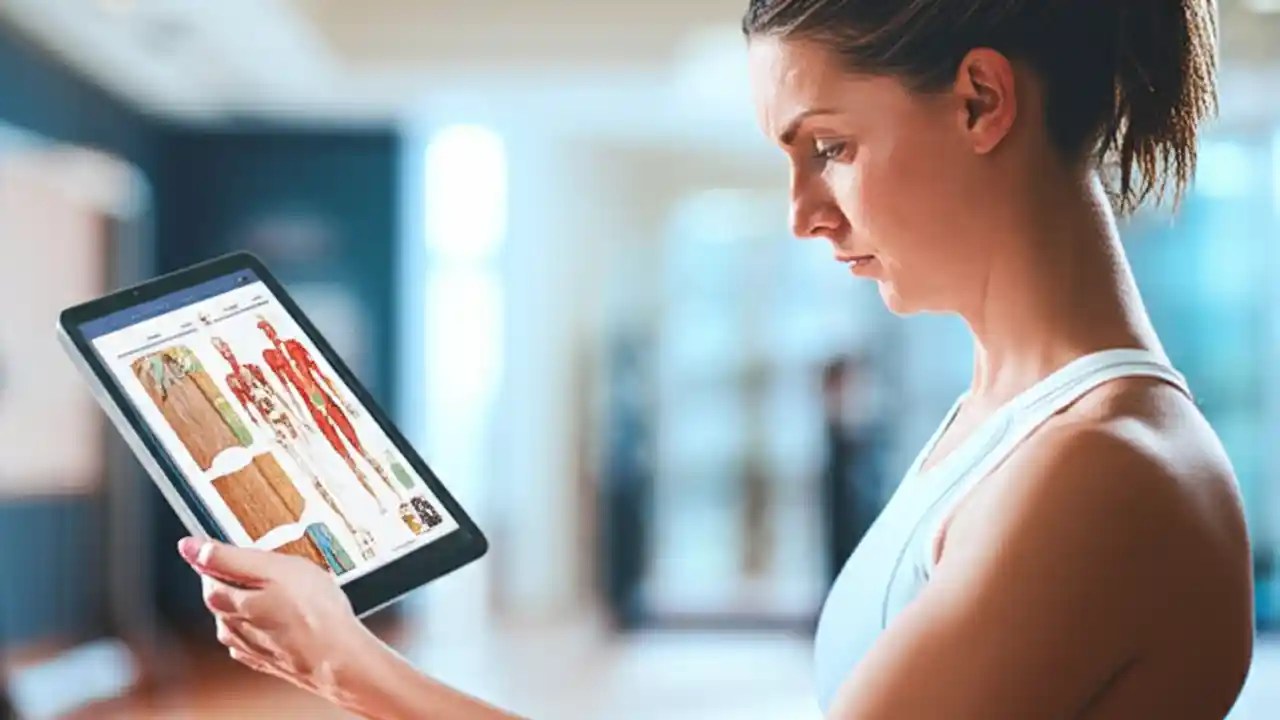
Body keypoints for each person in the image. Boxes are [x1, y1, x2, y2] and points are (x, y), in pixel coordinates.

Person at [177, 0, 1255, 717]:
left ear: (981, 99)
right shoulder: (1003, 419)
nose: (802, 213)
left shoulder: (1101, 470)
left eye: (829, 147)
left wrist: (349, 667)